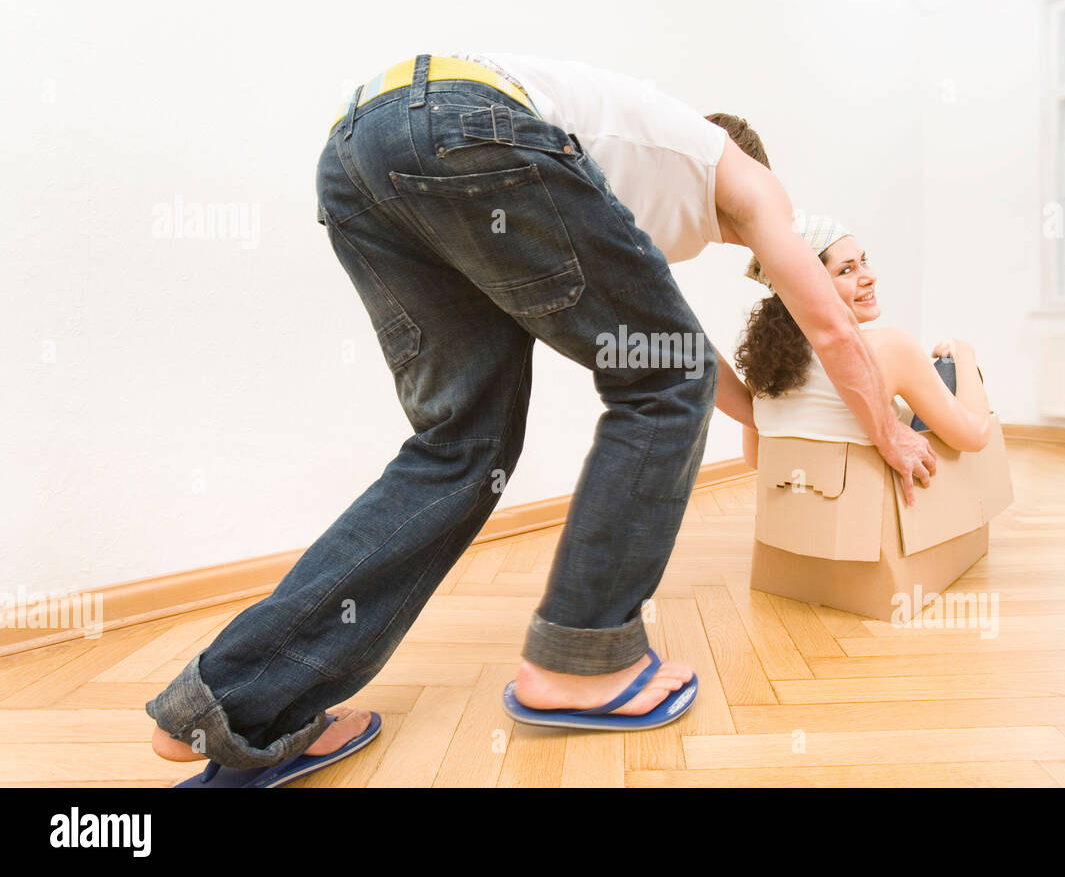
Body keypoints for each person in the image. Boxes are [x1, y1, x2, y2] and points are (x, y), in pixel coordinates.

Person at [145, 52, 937, 783]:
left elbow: (669, 347)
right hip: (459, 124)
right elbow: (827, 325)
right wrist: (892, 432)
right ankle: (583, 659)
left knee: (461, 446)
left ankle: (233, 701)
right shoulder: (745, 181)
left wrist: (751, 412)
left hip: (361, 158)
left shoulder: (622, 180)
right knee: (665, 377)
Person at [735, 212, 991, 469]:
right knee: (950, 366)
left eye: (863, 261)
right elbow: (975, 437)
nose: (870, 275)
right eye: (846, 270)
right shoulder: (890, 347)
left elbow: (756, 459)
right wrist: (963, 352)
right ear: (810, 287)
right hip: (877, 503)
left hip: (801, 502)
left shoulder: (765, 365)